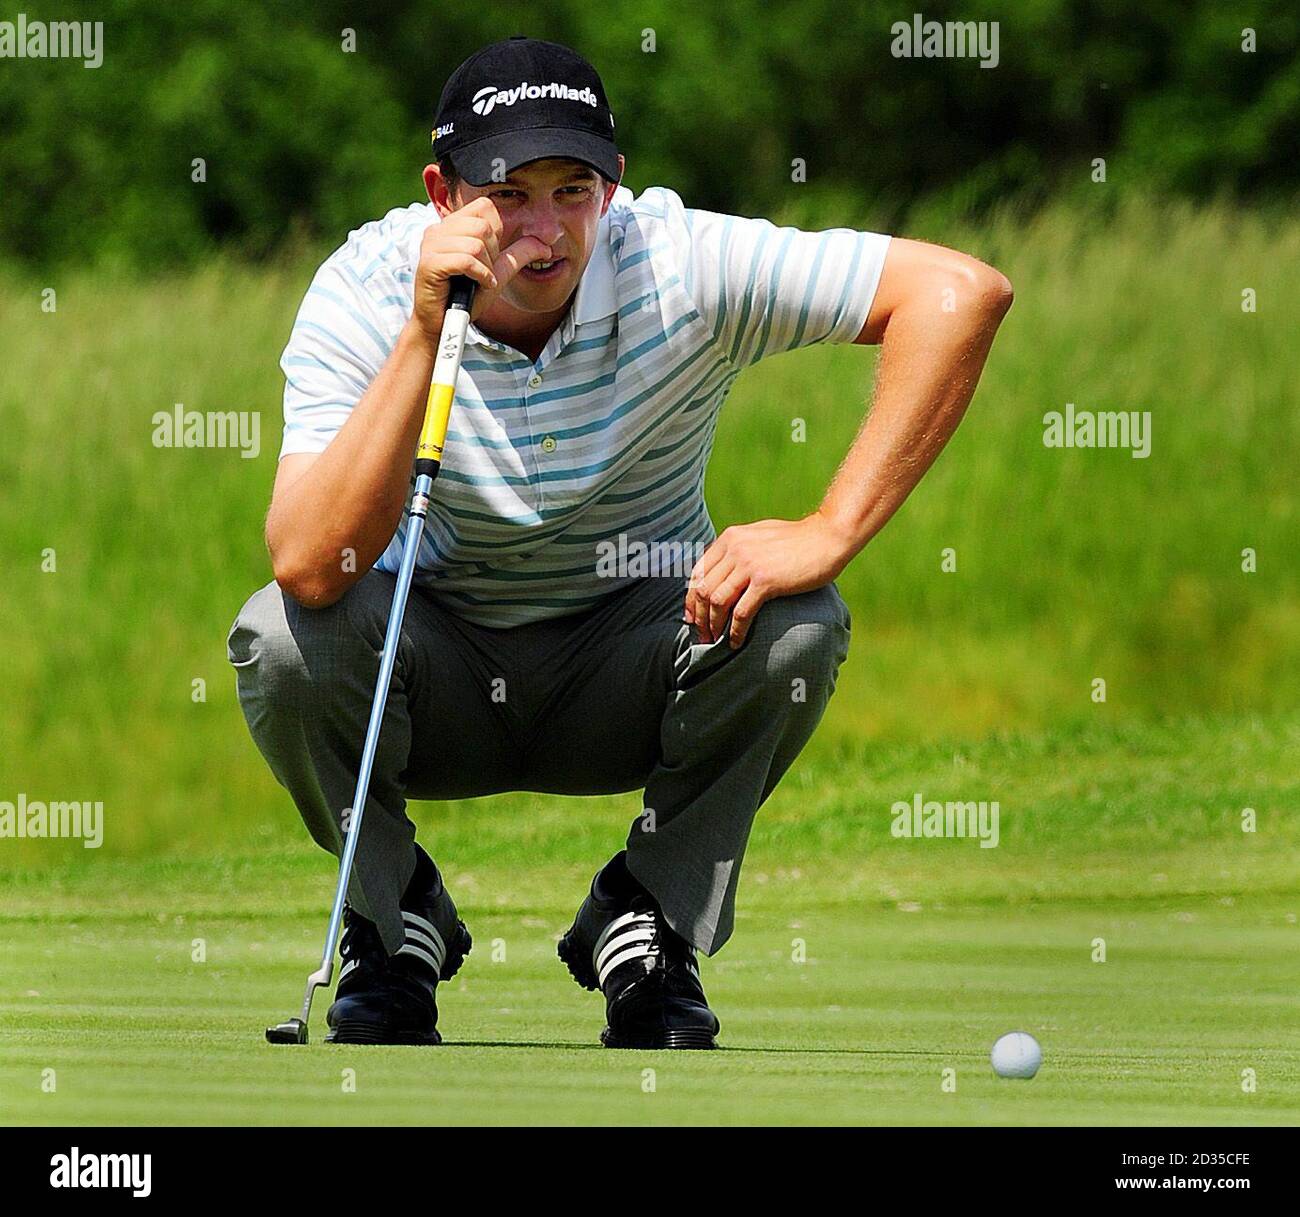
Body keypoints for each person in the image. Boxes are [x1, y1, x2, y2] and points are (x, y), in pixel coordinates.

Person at [227, 35, 1012, 1048]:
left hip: (631, 664)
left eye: (573, 189)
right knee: (286, 636)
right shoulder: (366, 287)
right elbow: (308, 559)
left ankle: (645, 915)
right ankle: (392, 919)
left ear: (615, 185)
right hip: (430, 679)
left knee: (799, 622)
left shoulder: (679, 260)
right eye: (508, 193)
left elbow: (959, 294)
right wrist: (425, 333)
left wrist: (828, 529)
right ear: (441, 191)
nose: (545, 233)